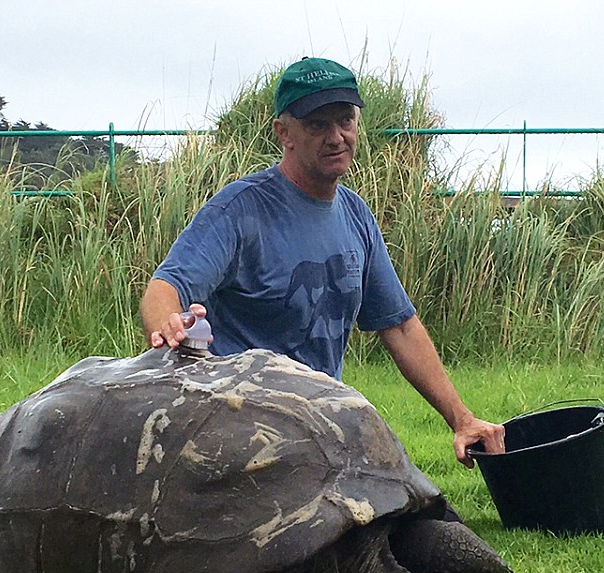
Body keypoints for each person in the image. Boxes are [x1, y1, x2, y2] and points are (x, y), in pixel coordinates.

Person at [139, 56, 505, 468]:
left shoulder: (356, 216)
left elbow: (400, 326)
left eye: (345, 120)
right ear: (284, 132)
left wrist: (462, 419)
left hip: (320, 420)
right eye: (317, 124)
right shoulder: (240, 211)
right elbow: (164, 289)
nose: (336, 137)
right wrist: (169, 326)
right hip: (238, 425)